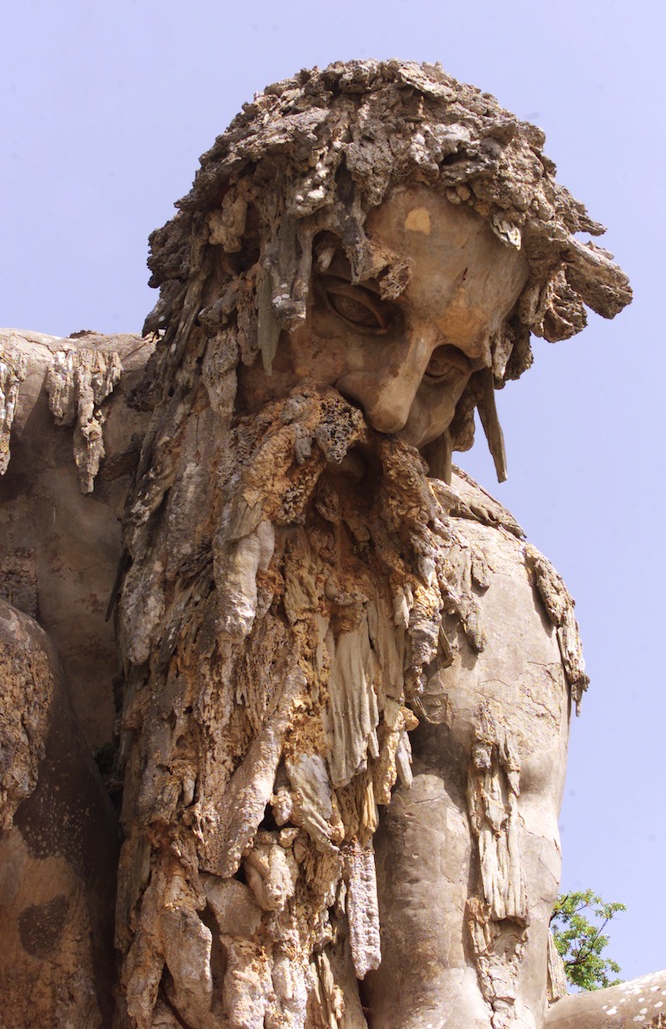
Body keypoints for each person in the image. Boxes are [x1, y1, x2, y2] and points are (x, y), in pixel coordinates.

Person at [0, 60, 630, 1029]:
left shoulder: (483, 601)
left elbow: (457, 998)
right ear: (240, 257)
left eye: (447, 369)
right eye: (361, 310)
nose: (391, 404)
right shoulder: (28, 435)